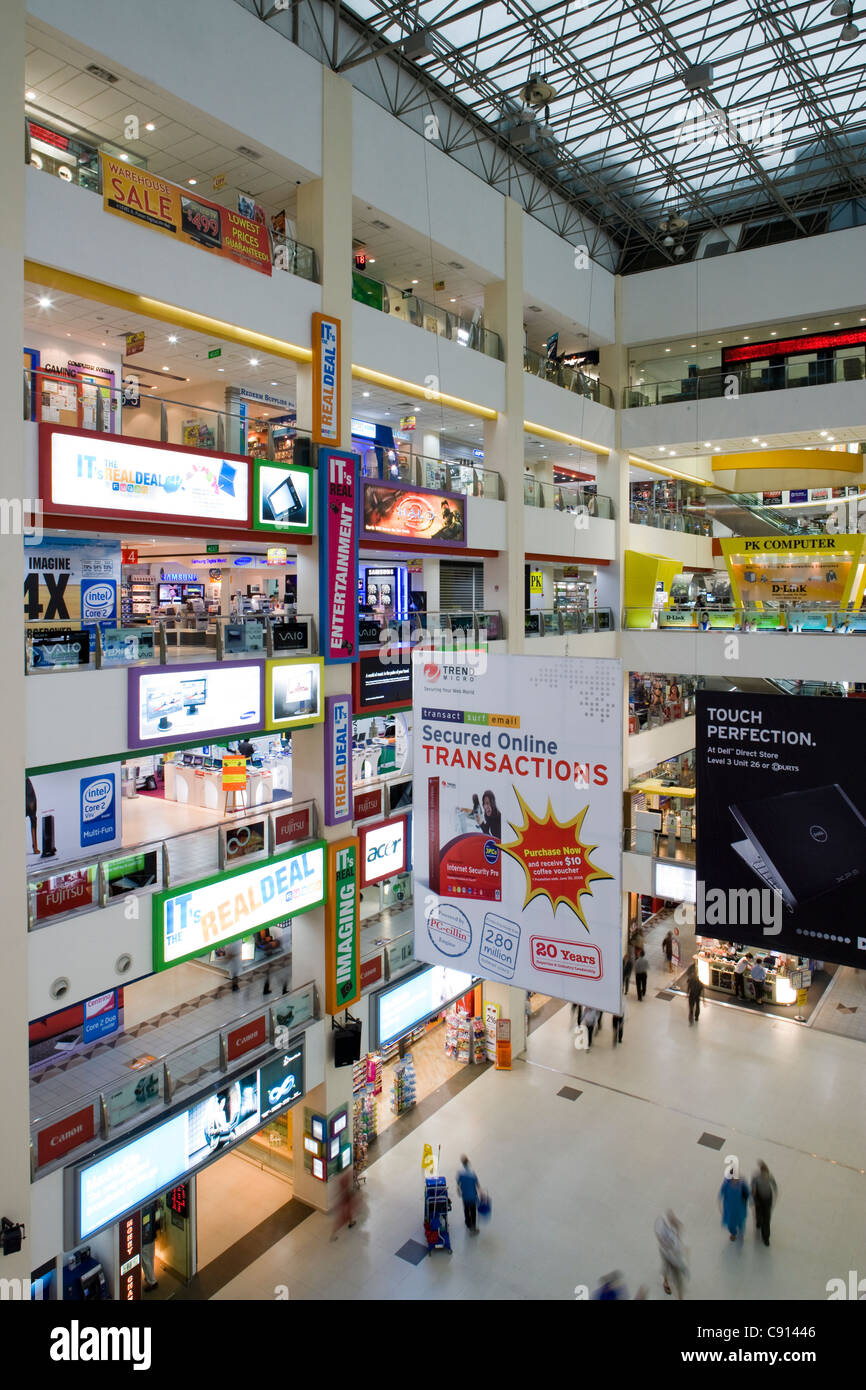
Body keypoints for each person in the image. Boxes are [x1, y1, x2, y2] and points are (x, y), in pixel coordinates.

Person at [655, 1210, 688, 1299]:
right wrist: (669, 1245)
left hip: (675, 1256)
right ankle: (666, 1282)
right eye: (671, 1218)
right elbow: (660, 1239)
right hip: (668, 1255)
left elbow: (680, 1230)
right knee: (667, 1269)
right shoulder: (661, 1225)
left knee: (678, 1279)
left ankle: (679, 1296)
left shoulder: (674, 1225)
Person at [719, 1157, 751, 1242]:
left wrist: (751, 1200)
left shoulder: (742, 1182)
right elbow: (721, 1192)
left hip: (740, 1207)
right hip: (730, 1208)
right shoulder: (727, 1183)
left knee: (741, 1223)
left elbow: (747, 1192)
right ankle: (733, 1233)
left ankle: (741, 1232)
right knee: (731, 1224)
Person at [751, 1161, 778, 1247]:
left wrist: (775, 1192)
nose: (764, 1174)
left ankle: (766, 1237)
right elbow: (753, 1185)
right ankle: (759, 1222)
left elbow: (774, 1185)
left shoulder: (769, 1176)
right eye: (763, 1172)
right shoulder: (756, 1176)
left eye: (766, 1172)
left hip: (767, 1199)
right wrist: (753, 1193)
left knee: (766, 1218)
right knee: (758, 1212)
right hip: (758, 1197)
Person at [140, 1198, 162, 1291]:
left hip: (145, 1239)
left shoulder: (143, 1210)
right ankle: (149, 1277)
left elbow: (143, 1226)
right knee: (150, 1258)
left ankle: (152, 1281)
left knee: (146, 1261)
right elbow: (157, 1215)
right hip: (152, 1235)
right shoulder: (153, 1201)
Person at [457, 1156, 480, 1234]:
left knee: (466, 1209)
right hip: (472, 1196)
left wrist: (459, 1191)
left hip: (465, 1196)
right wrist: (481, 1193)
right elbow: (477, 1185)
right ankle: (473, 1228)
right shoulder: (472, 1173)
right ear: (468, 1163)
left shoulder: (460, 1172)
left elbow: (458, 1183)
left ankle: (467, 1222)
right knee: (473, 1212)